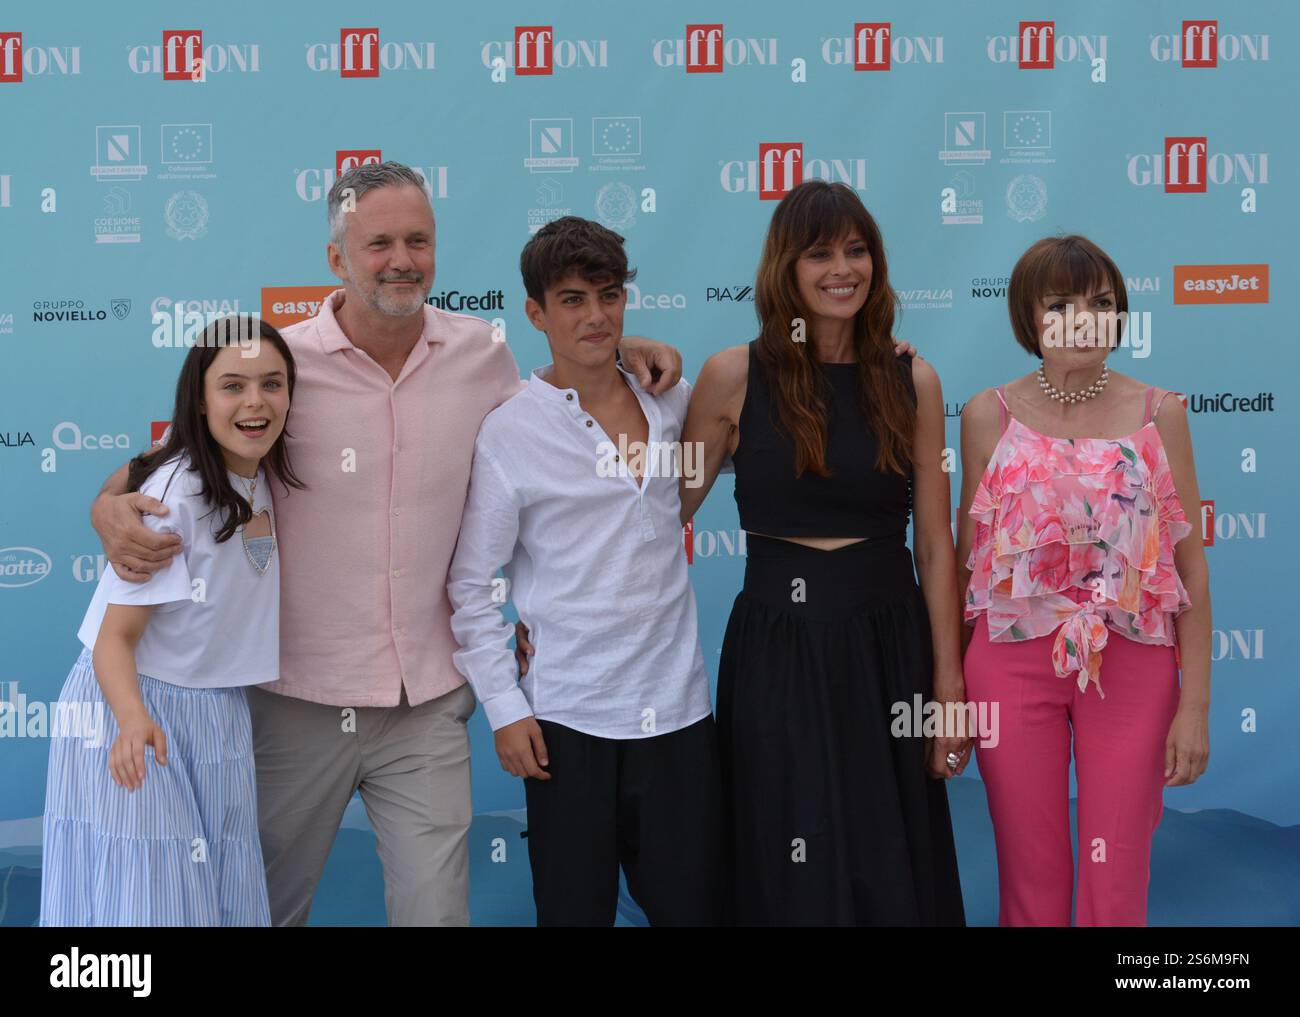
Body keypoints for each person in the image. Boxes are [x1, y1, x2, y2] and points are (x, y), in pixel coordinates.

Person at [88, 161, 682, 926]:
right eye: (379, 243)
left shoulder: (483, 355)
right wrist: (105, 509)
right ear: (337, 258)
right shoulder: (278, 368)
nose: (402, 259)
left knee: (435, 915)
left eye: (418, 240)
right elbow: (168, 467)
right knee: (259, 910)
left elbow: (557, 411)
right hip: (293, 699)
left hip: (428, 704)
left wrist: (617, 346)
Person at [677, 180, 967, 926]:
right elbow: (655, 518)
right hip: (778, 645)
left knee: (885, 845)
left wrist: (950, 688)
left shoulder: (915, 380)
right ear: (788, 268)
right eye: (820, 254)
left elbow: (935, 547)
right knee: (784, 843)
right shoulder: (731, 377)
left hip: (887, 645)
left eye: (857, 249)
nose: (844, 268)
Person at [448, 217, 721, 926]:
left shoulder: (674, 398)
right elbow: (471, 586)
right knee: (573, 912)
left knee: (693, 906)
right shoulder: (510, 429)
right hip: (568, 719)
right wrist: (506, 710)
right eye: (571, 299)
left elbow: (765, 402)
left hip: (679, 713)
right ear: (536, 313)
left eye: (608, 295)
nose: (595, 315)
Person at [957, 234, 1211, 926]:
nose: (1085, 317)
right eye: (1062, 302)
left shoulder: (1162, 413)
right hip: (1008, 664)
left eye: (1102, 301)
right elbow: (963, 563)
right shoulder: (988, 415)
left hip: (1131, 665)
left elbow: (1189, 569)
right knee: (1029, 869)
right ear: (1027, 317)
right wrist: (947, 694)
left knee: (1117, 868)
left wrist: (1195, 707)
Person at [42, 316, 302, 926]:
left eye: (273, 383)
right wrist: (133, 724)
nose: (255, 401)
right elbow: (114, 639)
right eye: (232, 386)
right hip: (135, 705)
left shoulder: (256, 469)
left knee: (217, 888)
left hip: (214, 709)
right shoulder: (176, 498)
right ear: (200, 399)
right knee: (151, 902)